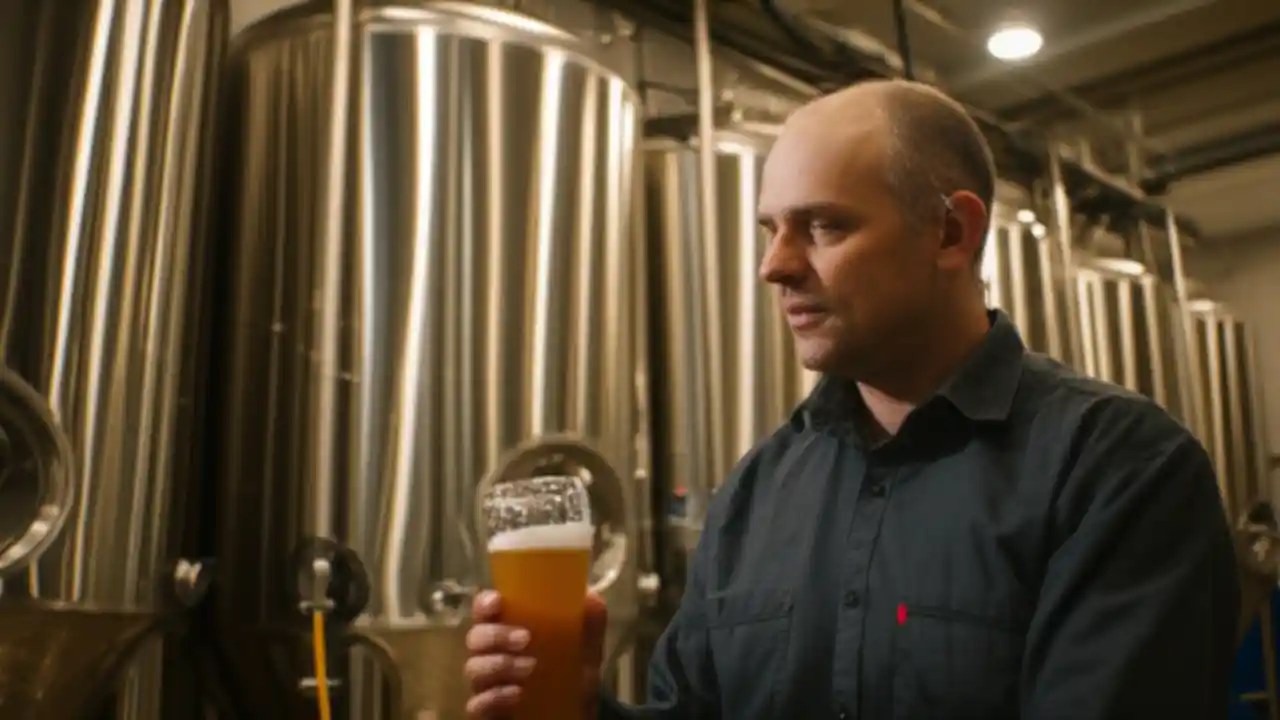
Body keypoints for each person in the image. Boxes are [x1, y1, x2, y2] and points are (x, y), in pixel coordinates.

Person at [463, 79, 1241, 719]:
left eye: (823, 227)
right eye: (769, 229)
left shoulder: (1116, 471)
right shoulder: (757, 491)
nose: (774, 266)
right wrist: (583, 709)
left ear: (950, 232)